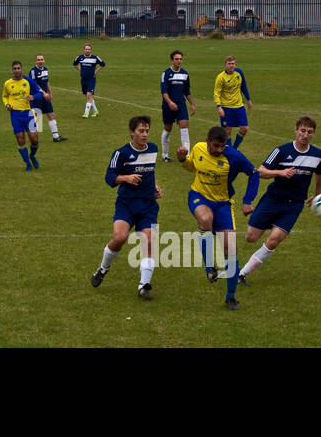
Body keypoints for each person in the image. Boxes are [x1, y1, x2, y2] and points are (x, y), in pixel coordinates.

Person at [176, 126, 259, 310]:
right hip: (199, 196)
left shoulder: (234, 157)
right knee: (205, 219)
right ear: (207, 141)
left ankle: (230, 296)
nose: (219, 150)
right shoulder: (198, 148)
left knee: (231, 249)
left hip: (223, 204)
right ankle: (210, 267)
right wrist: (183, 159)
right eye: (216, 146)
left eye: (222, 146)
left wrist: (247, 201)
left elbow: (254, 174)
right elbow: (192, 167)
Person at [239, 115, 321, 285]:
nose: (305, 135)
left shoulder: (317, 154)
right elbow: (261, 171)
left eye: (309, 132)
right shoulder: (281, 151)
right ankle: (266, 219)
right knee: (251, 237)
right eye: (302, 131)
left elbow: (320, 173)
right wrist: (280, 172)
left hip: (294, 205)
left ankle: (242, 274)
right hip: (273, 199)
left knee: (273, 241)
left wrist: (317, 194)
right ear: (296, 130)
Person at [91, 115, 162, 300]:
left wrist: (154, 186)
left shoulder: (153, 149)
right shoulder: (121, 153)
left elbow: (150, 172)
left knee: (149, 241)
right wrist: (126, 178)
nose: (145, 134)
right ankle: (103, 268)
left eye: (147, 131)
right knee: (120, 238)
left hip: (148, 206)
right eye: (141, 131)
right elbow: (109, 177)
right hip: (126, 204)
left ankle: (143, 285)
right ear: (132, 132)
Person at [2, 61, 41, 171]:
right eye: (14, 68)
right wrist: (7, 104)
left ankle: (32, 156)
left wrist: (34, 97)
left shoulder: (29, 81)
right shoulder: (7, 84)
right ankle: (27, 163)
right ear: (12, 70)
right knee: (20, 139)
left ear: (21, 69)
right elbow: (4, 96)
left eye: (18, 68)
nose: (17, 70)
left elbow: (40, 92)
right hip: (15, 115)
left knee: (34, 139)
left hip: (29, 113)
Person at [160, 50, 195, 161]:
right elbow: (164, 91)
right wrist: (170, 102)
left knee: (184, 126)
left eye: (180, 59)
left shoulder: (185, 74)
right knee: (167, 129)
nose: (179, 61)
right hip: (168, 106)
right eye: (176, 59)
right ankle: (165, 155)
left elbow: (187, 91)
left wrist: (192, 104)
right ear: (172, 60)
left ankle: (187, 155)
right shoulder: (166, 74)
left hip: (181, 105)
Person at [213, 55, 252, 149]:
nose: (231, 66)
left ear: (235, 64)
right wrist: (219, 107)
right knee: (227, 132)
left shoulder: (239, 73)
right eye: (229, 64)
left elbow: (243, 86)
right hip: (226, 107)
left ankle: (234, 149)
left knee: (244, 128)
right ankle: (230, 151)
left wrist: (248, 100)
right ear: (225, 65)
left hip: (239, 106)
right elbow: (216, 93)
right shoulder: (221, 77)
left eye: (233, 64)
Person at [28, 54, 65, 142]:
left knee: (51, 115)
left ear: (44, 61)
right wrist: (44, 93)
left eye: (41, 59)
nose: (40, 61)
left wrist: (50, 93)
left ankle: (56, 137)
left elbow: (46, 81)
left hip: (45, 96)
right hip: (37, 97)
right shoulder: (33, 71)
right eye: (38, 60)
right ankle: (33, 137)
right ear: (36, 61)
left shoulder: (45, 69)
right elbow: (35, 85)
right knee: (37, 117)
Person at [72, 43, 105, 118]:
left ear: (91, 50)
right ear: (84, 50)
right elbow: (74, 64)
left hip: (91, 79)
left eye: (89, 49)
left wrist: (96, 72)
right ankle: (96, 111)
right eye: (86, 49)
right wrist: (80, 70)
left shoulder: (95, 58)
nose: (87, 50)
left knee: (89, 95)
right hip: (83, 79)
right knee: (88, 97)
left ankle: (86, 113)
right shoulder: (80, 57)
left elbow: (102, 64)